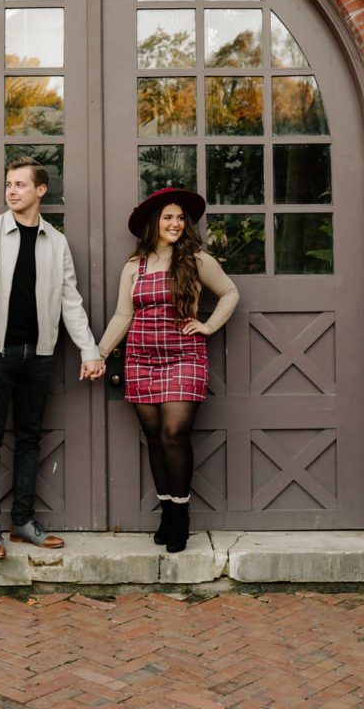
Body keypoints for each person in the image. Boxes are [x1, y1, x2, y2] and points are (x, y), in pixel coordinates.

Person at [0, 156, 105, 559]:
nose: (11, 190)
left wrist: (90, 351)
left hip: (38, 355)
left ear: (40, 190)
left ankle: (22, 522)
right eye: (9, 184)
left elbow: (70, 302)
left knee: (28, 439)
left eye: (21, 184)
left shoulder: (56, 242)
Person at [98, 187, 239, 553]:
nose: (175, 223)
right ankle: (166, 514)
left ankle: (181, 515)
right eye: (168, 218)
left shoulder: (196, 259)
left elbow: (230, 293)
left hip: (184, 358)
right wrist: (99, 353)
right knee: (155, 439)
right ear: (153, 224)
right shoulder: (135, 265)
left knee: (175, 434)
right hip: (140, 360)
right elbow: (122, 315)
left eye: (180, 218)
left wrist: (208, 326)